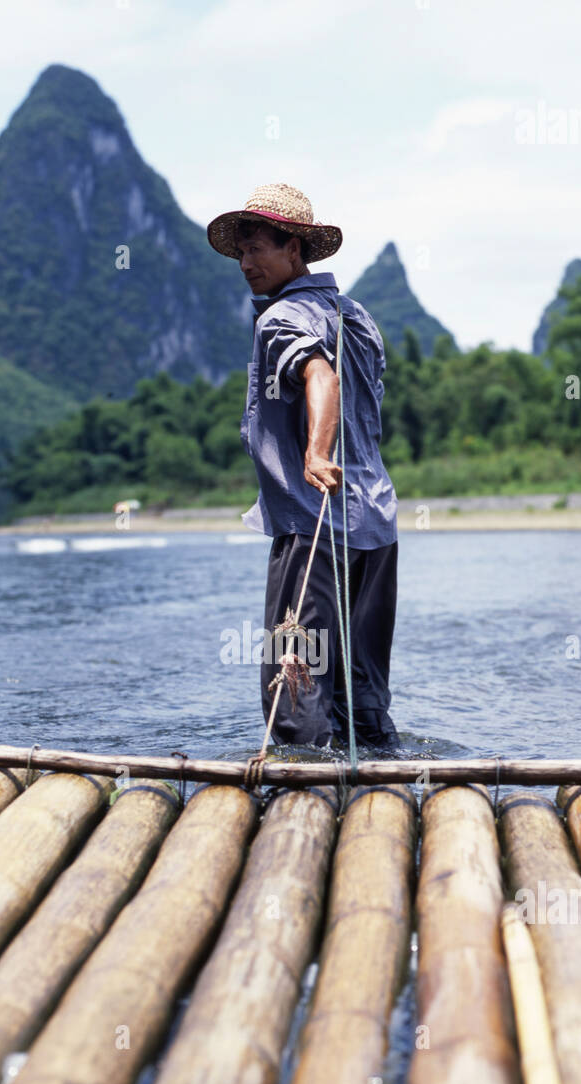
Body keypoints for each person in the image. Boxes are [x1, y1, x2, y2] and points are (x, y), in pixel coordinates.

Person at [206, 182, 400, 751]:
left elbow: (320, 376)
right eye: (240, 252)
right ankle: (381, 798)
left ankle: (300, 814)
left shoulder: (280, 319)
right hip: (375, 528)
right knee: (362, 694)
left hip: (313, 525)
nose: (245, 263)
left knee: (295, 687)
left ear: (295, 249)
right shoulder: (356, 316)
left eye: (257, 248)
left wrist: (315, 452)